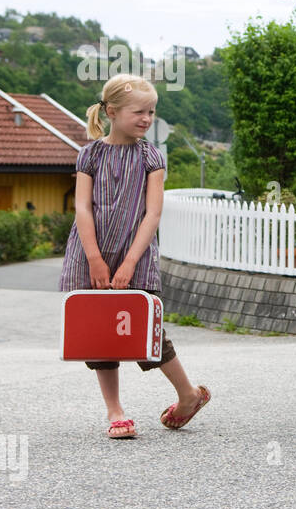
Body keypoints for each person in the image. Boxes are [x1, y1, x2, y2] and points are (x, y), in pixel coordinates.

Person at [59, 74, 211, 439]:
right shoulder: (89, 154)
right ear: (111, 112)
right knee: (100, 336)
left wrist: (128, 263)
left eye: (151, 112)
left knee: (147, 331)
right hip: (90, 253)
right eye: (138, 112)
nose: (146, 119)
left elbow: (152, 214)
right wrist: (94, 258)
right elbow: (82, 208)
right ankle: (115, 412)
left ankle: (188, 395)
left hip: (136, 256)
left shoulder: (150, 155)